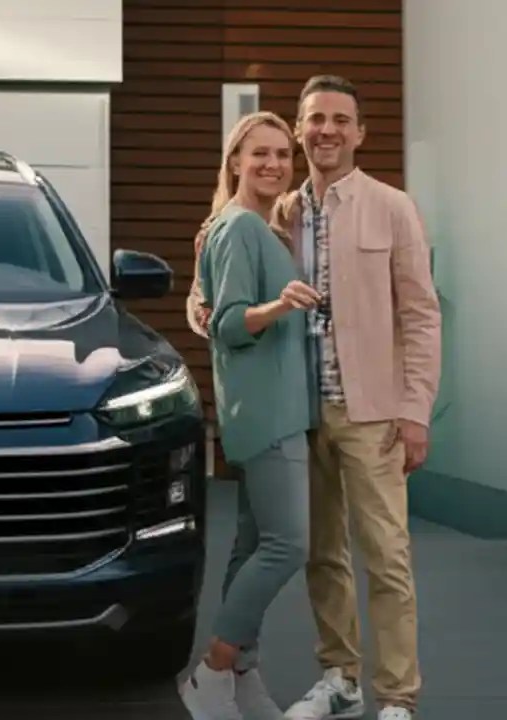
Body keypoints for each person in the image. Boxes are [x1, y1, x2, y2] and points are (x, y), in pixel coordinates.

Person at [279, 75, 441, 720]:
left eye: (341, 120)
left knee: (387, 558)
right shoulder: (282, 213)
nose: (328, 130)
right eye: (316, 118)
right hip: (302, 414)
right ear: (299, 128)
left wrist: (415, 409)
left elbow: (422, 315)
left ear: (360, 133)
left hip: (372, 414)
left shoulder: (392, 206)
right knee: (323, 556)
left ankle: (397, 697)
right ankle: (339, 679)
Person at [178, 111, 321, 720]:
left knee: (252, 544)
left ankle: (240, 675)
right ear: (234, 161)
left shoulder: (257, 227)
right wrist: (278, 304)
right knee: (288, 545)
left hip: (274, 409)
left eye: (283, 155)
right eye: (258, 154)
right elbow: (232, 324)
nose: (272, 164)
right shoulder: (238, 229)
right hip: (266, 415)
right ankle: (212, 671)